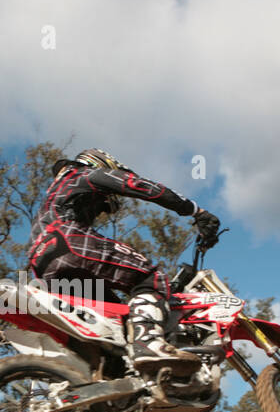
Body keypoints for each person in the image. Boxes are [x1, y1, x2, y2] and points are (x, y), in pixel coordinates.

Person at [28, 148, 220, 371]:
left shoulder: (53, 195)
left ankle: (111, 375)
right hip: (68, 242)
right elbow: (140, 186)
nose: (102, 209)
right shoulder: (87, 174)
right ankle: (147, 343)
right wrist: (197, 211)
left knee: (115, 323)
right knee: (150, 277)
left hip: (41, 263)